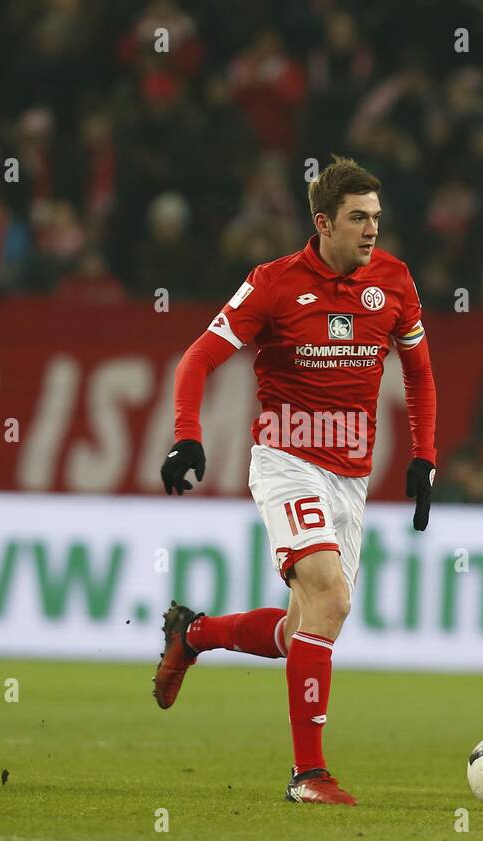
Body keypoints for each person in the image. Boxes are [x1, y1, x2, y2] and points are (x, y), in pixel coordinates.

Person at [155, 155, 438, 805]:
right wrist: (186, 435)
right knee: (330, 596)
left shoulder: (394, 282)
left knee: (303, 629)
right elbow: (198, 359)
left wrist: (424, 456)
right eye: (358, 219)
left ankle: (192, 634)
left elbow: (419, 374)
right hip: (286, 459)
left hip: (351, 476)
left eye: (376, 218)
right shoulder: (273, 285)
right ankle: (308, 775)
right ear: (323, 223)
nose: (372, 231)